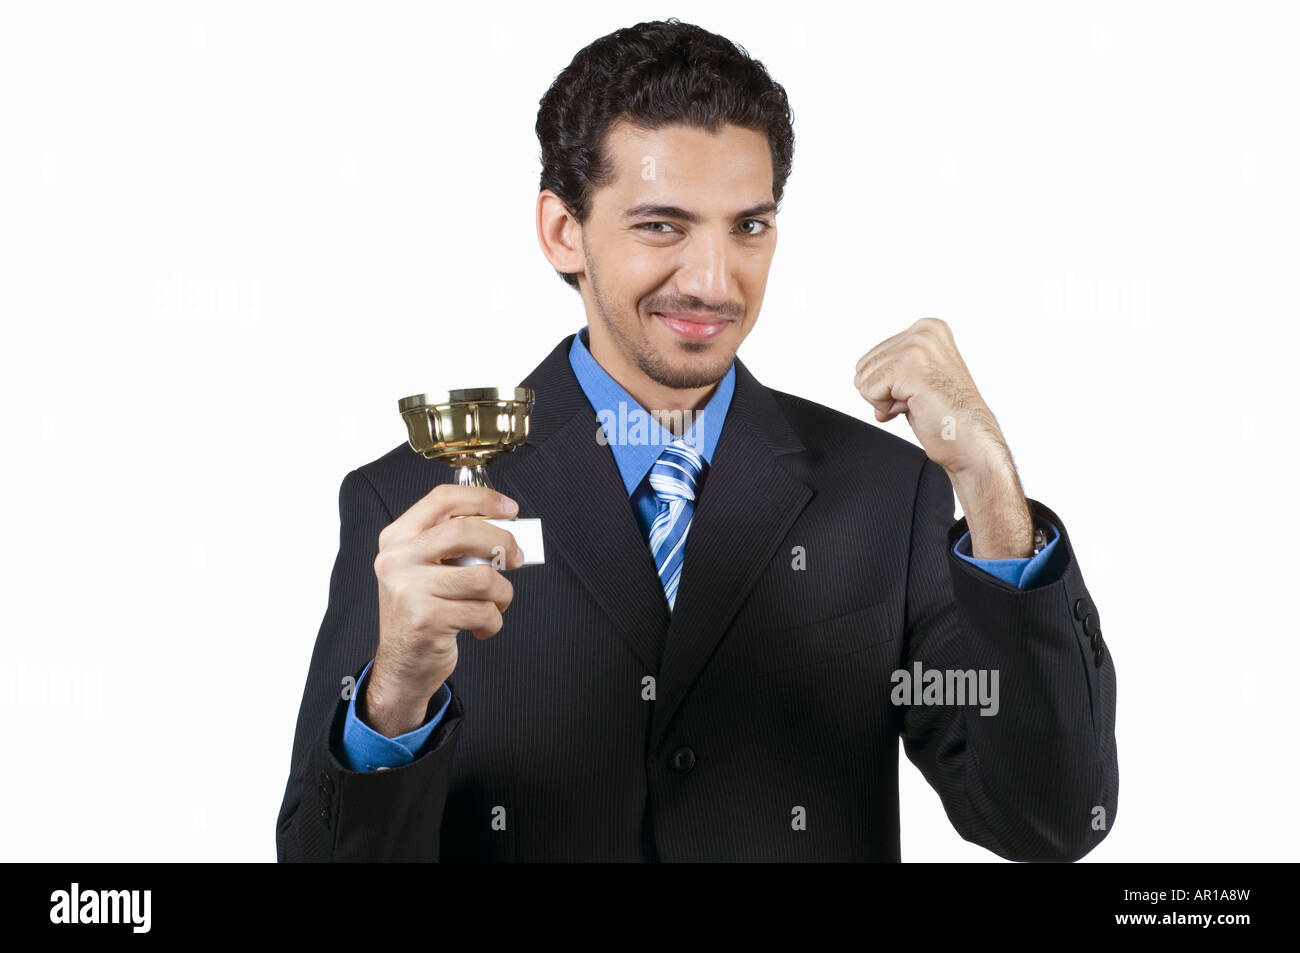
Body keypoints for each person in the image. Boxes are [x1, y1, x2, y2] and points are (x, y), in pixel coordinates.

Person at [276, 19, 1118, 862]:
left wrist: (993, 492)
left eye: (748, 227)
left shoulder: (886, 493)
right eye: (662, 226)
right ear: (563, 230)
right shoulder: (408, 504)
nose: (716, 281)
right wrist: (392, 697)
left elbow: (1048, 820)